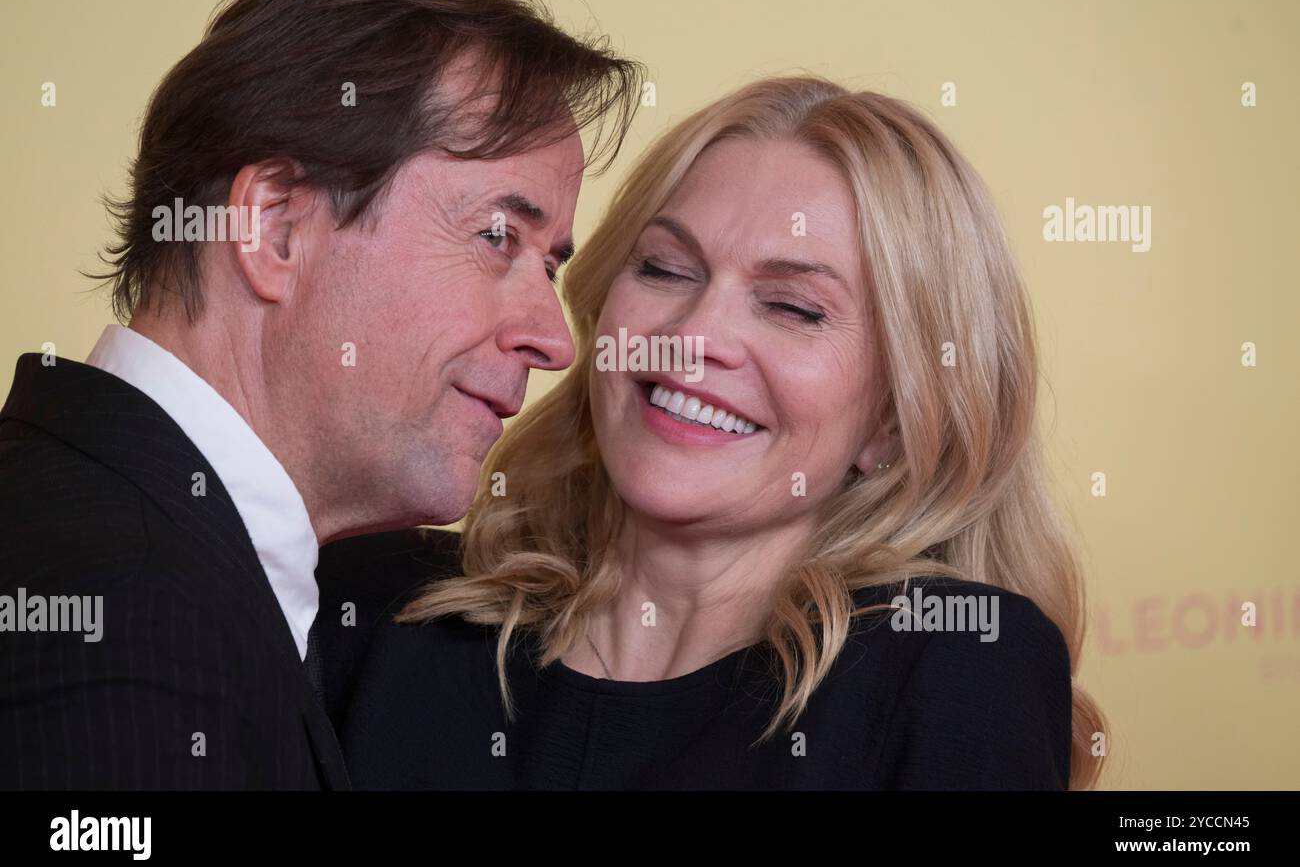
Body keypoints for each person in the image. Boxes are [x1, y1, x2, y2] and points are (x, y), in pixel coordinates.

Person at [317, 75, 1108, 790]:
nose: (694, 336)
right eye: (665, 269)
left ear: (894, 423)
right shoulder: (371, 600)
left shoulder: (955, 666)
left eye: (794, 308)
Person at [0, 0, 642, 789]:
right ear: (274, 229)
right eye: (496, 236)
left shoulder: (132, 544)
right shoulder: (129, 628)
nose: (554, 341)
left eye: (549, 263)